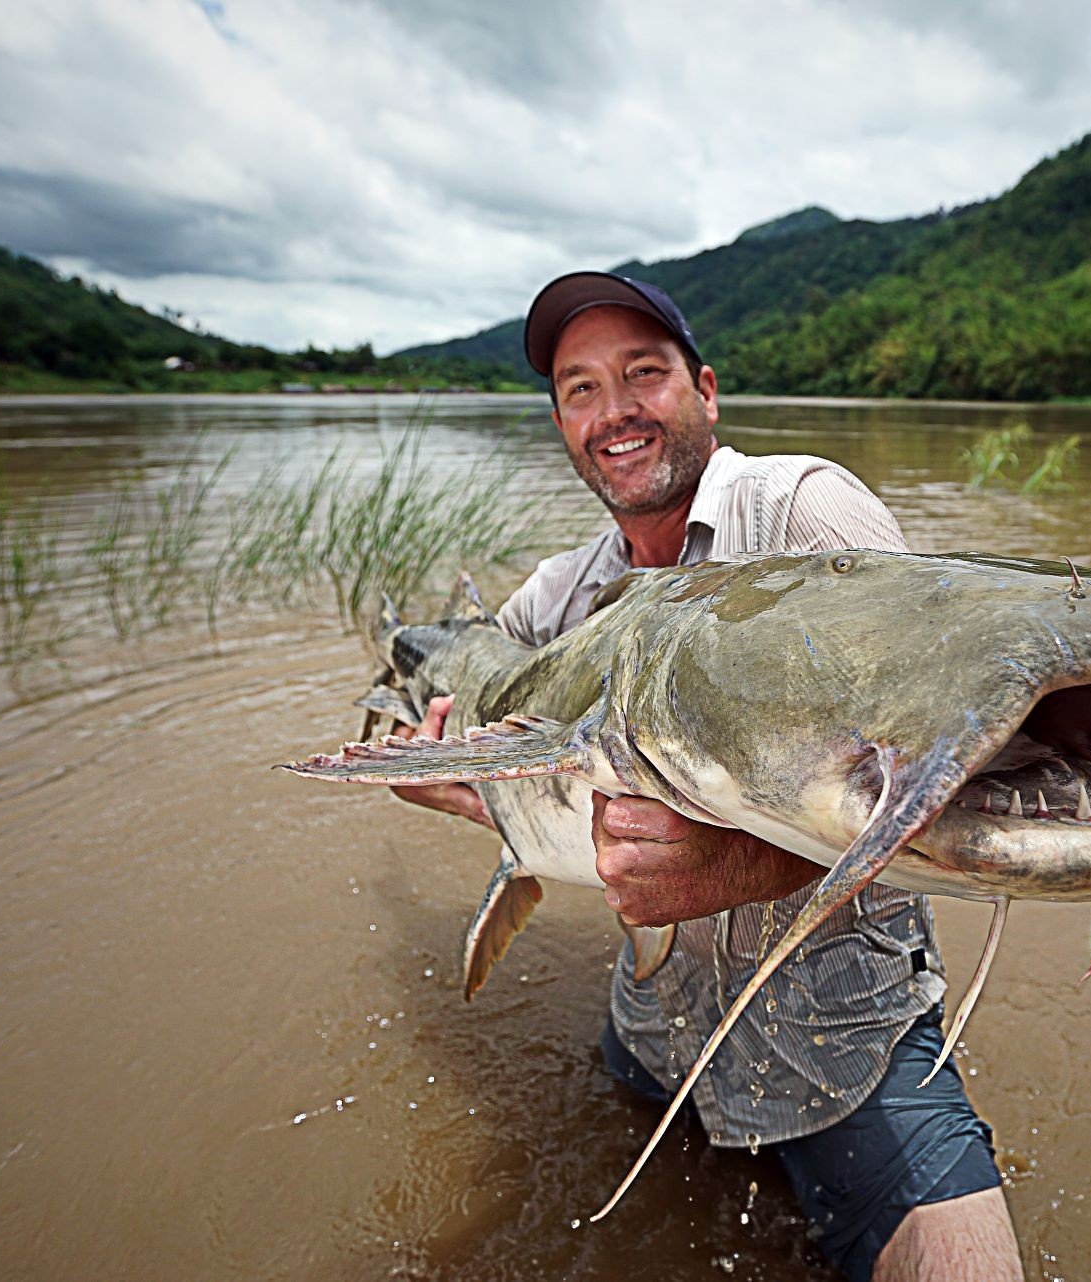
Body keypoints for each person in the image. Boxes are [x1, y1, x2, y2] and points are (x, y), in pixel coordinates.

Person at [392, 272, 1024, 1282]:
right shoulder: (557, 597)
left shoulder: (809, 518)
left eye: (644, 374)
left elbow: (936, 763)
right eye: (581, 388)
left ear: (707, 390)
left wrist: (734, 867)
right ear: (561, 419)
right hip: (655, 1027)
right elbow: (489, 716)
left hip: (844, 1036)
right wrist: (457, 778)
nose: (615, 412)